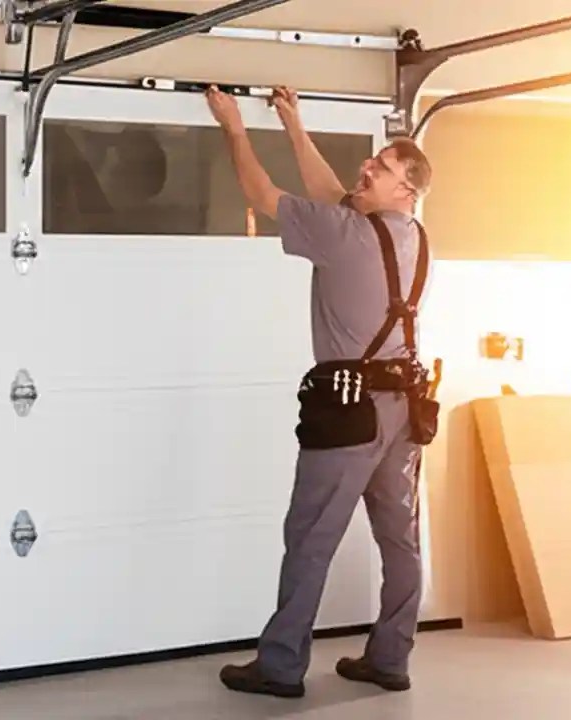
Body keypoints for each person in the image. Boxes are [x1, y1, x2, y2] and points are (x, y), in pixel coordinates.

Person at [204, 84, 436, 698]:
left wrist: (233, 126)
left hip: (350, 408)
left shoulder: (346, 235)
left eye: (381, 168)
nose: (367, 168)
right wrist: (294, 125)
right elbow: (334, 194)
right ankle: (391, 658)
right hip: (404, 411)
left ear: (404, 190)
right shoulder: (410, 238)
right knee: (400, 538)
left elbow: (262, 194)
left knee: (310, 536)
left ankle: (280, 665)